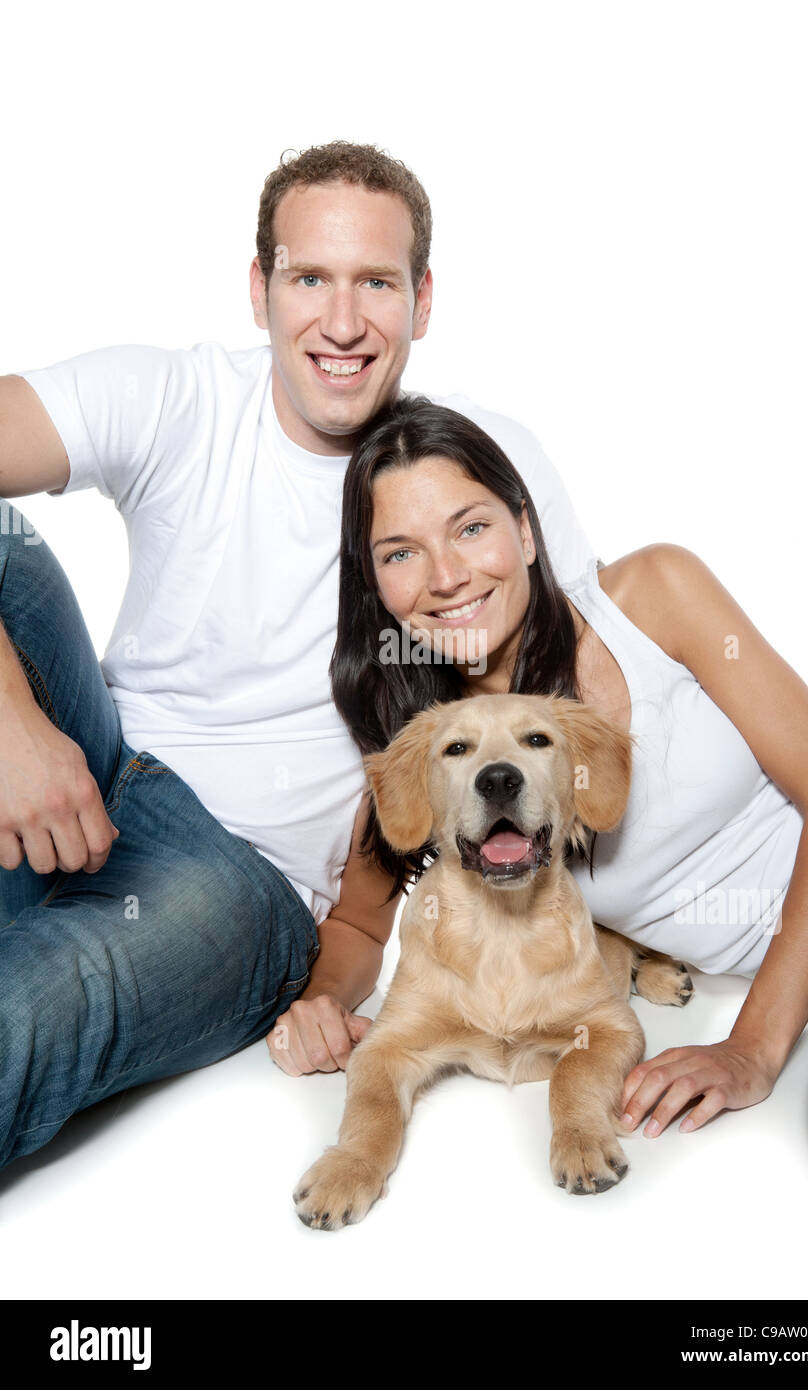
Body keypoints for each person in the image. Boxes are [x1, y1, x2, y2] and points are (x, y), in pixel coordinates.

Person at [0, 141, 593, 1170]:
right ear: (258, 289)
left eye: (377, 282)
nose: (342, 321)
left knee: (44, 1001)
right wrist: (14, 723)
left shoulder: (473, 483)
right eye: (308, 277)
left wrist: (330, 986)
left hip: (238, 875)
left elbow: (549, 727)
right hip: (78, 764)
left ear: (423, 299)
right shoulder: (178, 396)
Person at [318, 394, 808, 1195]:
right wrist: (321, 1009)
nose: (447, 576)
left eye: (472, 527)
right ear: (376, 584)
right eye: (401, 553)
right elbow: (359, 922)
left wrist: (750, 1049)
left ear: (526, 532)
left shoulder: (650, 595)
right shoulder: (431, 751)